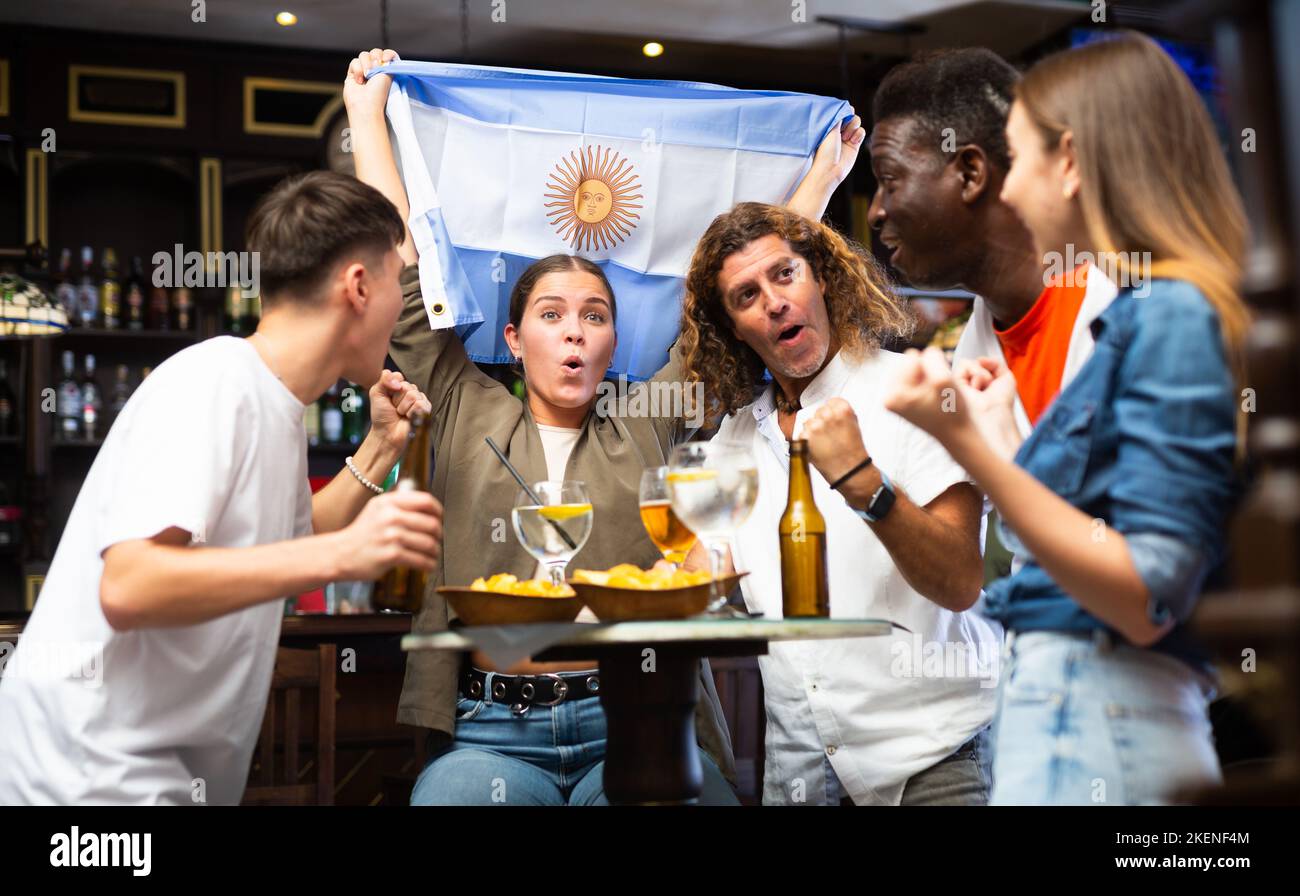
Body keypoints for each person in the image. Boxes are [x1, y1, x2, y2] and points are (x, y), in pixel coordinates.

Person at [343, 47, 863, 805]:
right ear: (515, 339)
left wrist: (821, 178)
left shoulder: (647, 422)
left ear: (617, 342)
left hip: (635, 723)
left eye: (596, 317)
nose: (577, 333)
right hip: (492, 730)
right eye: (552, 317)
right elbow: (405, 268)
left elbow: (720, 316)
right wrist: (367, 116)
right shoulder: (460, 404)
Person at [884, 32, 1249, 805]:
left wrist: (966, 448)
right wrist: (997, 431)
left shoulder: (1170, 315)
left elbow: (1145, 594)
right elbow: (1072, 531)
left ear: (1075, 162)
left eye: (1024, 163)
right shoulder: (1139, 319)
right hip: (1056, 701)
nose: (1011, 194)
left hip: (1099, 710)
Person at [0, 171, 443, 805]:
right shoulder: (212, 383)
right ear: (358, 286)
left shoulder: (274, 401)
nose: (404, 308)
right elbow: (129, 585)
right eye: (398, 282)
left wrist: (380, 448)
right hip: (84, 781)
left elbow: (294, 536)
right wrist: (345, 556)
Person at [679, 201, 1001, 805]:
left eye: (785, 274)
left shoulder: (915, 392)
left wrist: (862, 481)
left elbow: (961, 580)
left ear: (822, 276)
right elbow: (695, 581)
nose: (774, 302)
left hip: (936, 760)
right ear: (733, 328)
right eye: (745, 296)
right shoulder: (733, 442)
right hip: (800, 775)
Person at [867, 47, 1118, 435]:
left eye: (889, 182)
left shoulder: (1120, 304)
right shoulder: (975, 346)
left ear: (970, 174)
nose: (875, 213)